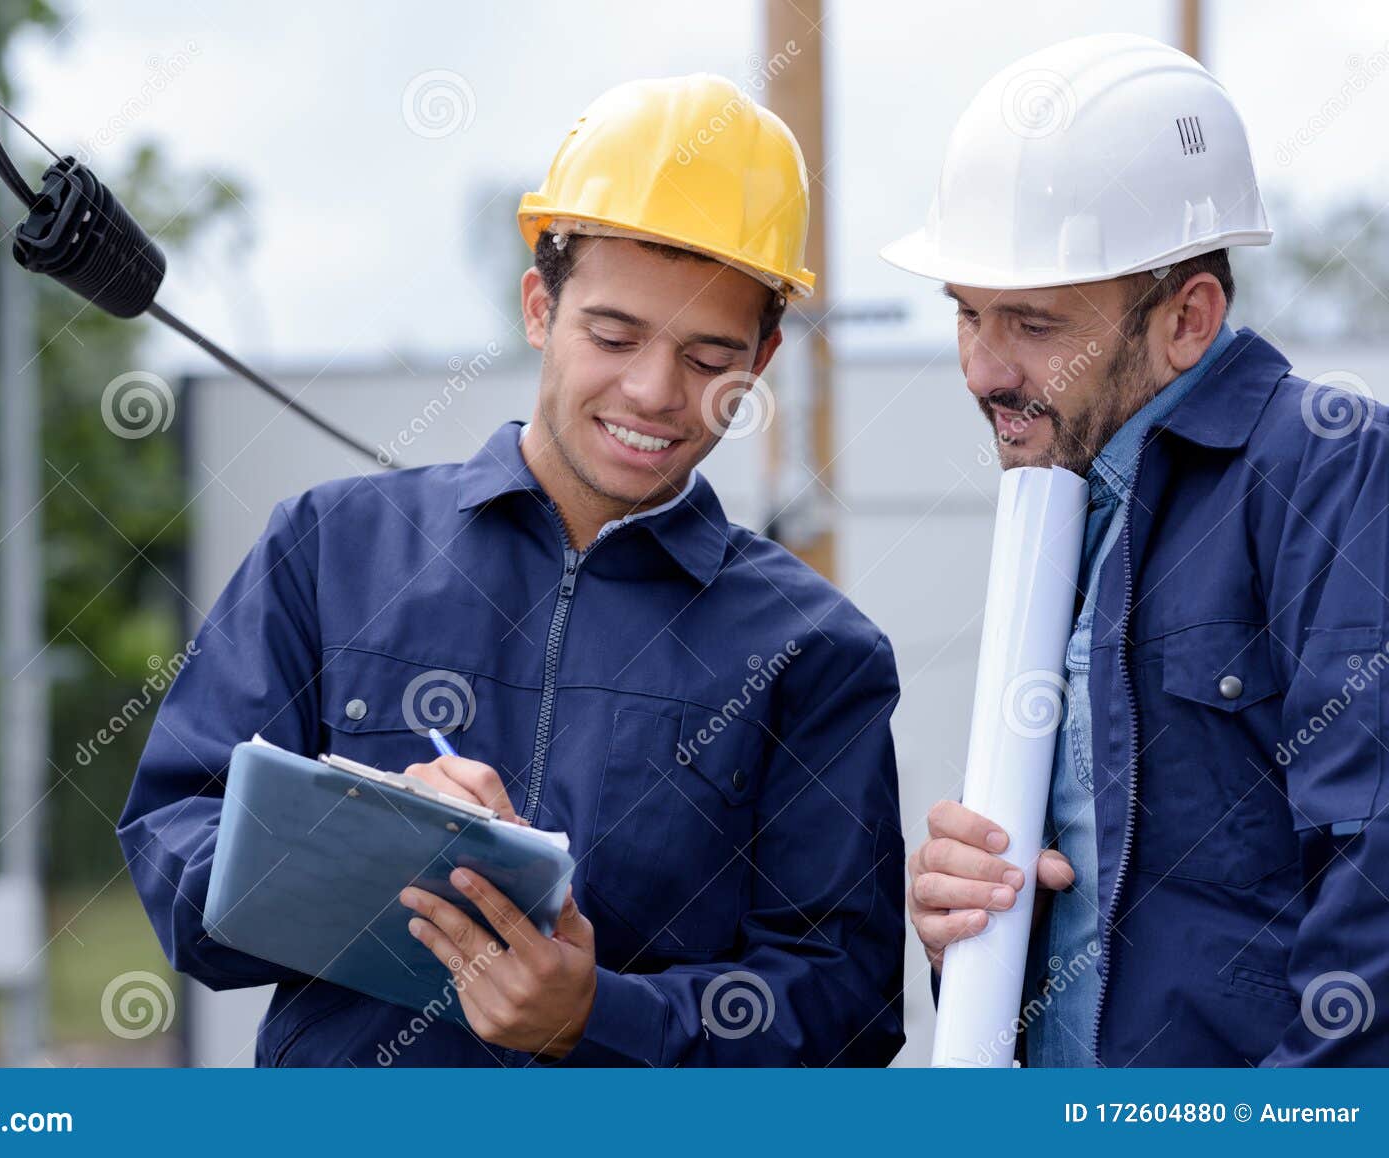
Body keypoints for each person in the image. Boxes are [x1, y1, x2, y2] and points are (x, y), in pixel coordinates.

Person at [119, 74, 905, 1066]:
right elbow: (173, 839)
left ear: (765, 355)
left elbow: (846, 1003)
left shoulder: (811, 651)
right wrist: (363, 842)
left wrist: (601, 1019)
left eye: (710, 358)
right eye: (613, 336)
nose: (655, 392)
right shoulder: (332, 550)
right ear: (540, 307)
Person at [887, 33, 1389, 1065]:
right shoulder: (1064, 505)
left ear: (1186, 321)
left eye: (1030, 323)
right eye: (965, 315)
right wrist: (975, 927)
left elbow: (1374, 876)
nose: (982, 370)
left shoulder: (1330, 470)